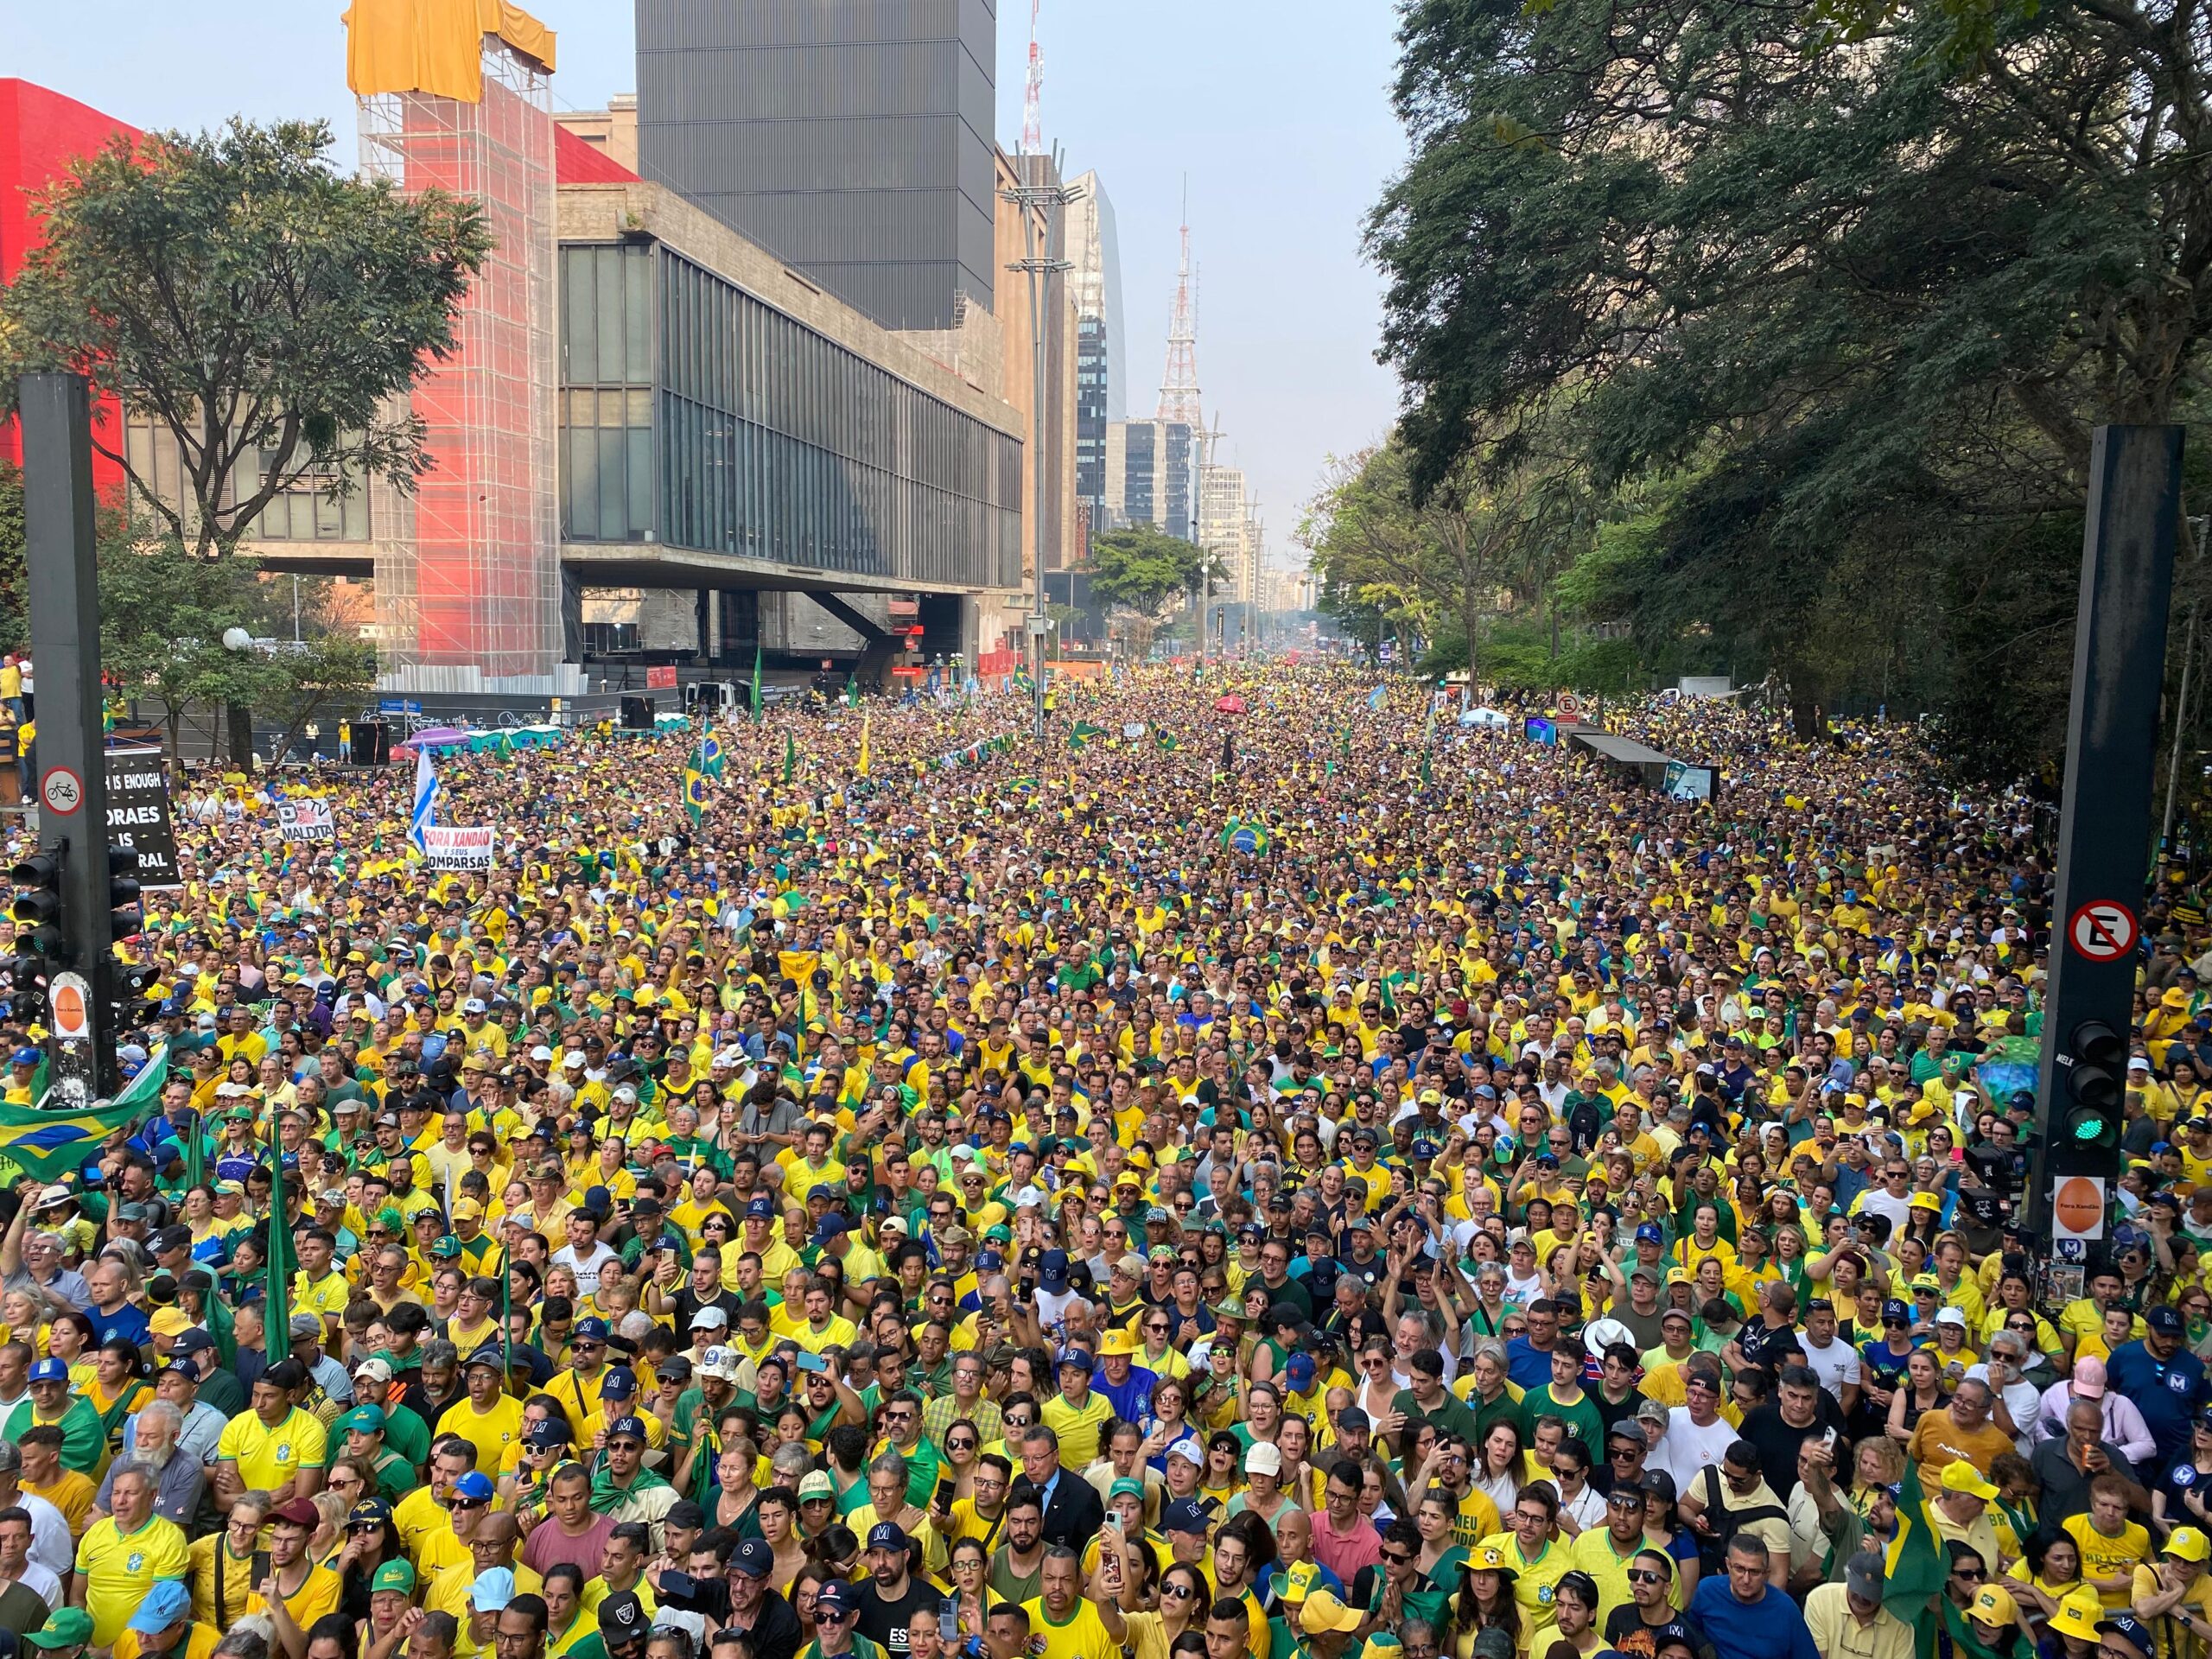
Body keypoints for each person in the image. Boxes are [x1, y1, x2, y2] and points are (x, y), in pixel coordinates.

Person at [1685, 1538, 1816, 1659]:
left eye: (1754, 1572)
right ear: (1728, 1565)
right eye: (1739, 1569)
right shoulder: (1707, 1591)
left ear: (1766, 1573)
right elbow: (1690, 1638)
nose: (1746, 1579)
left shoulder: (1786, 1609)